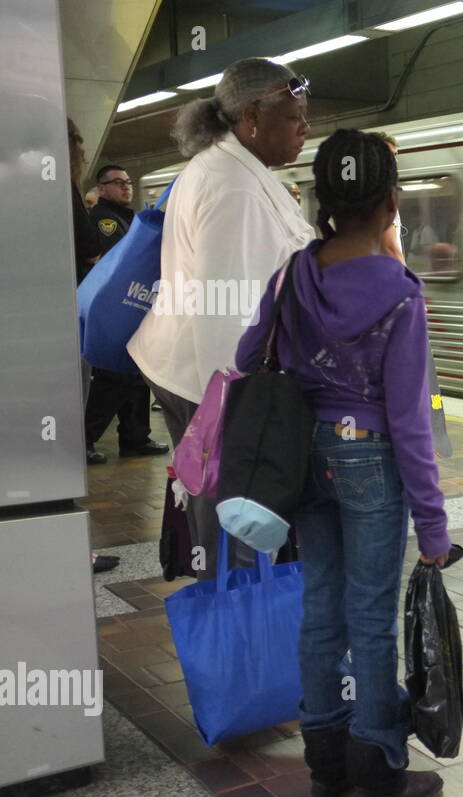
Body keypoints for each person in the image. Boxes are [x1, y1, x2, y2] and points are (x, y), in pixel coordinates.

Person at [235, 129, 450, 797]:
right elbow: (410, 419)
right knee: (371, 617)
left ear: (323, 202)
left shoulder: (292, 273)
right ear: (391, 202)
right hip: (368, 457)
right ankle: (380, 770)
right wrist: (434, 523)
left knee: (321, 608)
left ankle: (327, 764)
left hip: (303, 459)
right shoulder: (399, 290)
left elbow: (247, 355)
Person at [126, 57, 315, 580]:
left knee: (219, 504)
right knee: (235, 505)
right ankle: (241, 626)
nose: (306, 127)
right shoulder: (233, 186)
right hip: (207, 375)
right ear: (252, 117)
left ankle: (235, 606)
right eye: (294, 116)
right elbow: (223, 310)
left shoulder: (229, 168)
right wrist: (236, 412)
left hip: (185, 366)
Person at [84, 164, 169, 463]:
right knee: (113, 376)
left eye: (128, 182)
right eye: (117, 183)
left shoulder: (128, 217)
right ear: (102, 188)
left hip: (129, 302)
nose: (125, 186)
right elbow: (119, 261)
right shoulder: (105, 220)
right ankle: (85, 437)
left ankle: (135, 437)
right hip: (117, 304)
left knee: (134, 373)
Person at [67, 119, 118, 574]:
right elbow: (92, 258)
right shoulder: (61, 190)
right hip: (63, 328)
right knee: (67, 436)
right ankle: (71, 545)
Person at [376, 132, 405, 264]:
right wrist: (409, 282)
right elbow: (390, 250)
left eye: (396, 155)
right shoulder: (379, 194)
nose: (395, 160)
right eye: (390, 155)